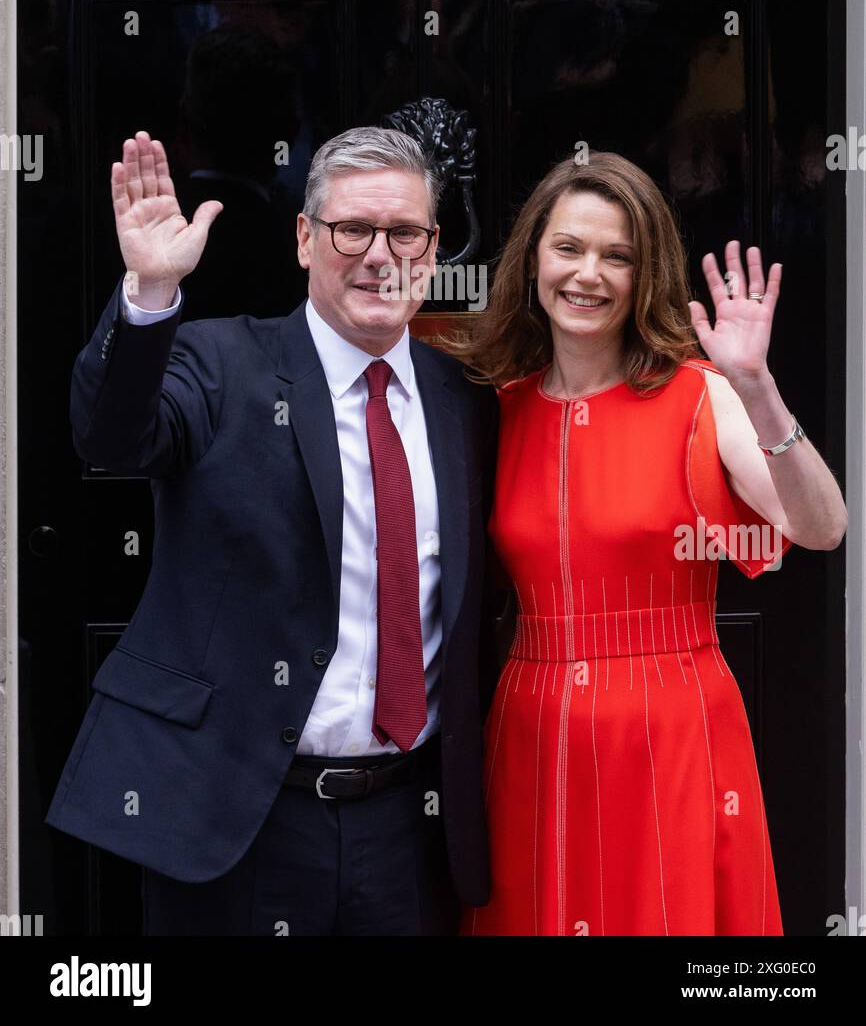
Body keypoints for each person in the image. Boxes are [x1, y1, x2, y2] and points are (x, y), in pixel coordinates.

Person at [45, 126, 499, 936]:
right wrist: (148, 295)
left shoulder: (465, 399)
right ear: (304, 239)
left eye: (405, 233)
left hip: (407, 830)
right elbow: (110, 439)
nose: (378, 255)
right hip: (238, 821)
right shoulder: (221, 363)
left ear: (433, 250)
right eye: (352, 229)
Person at [447, 149, 848, 936]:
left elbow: (822, 527)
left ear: (645, 274)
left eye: (617, 256)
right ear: (533, 260)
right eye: (568, 248)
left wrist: (759, 390)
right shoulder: (498, 408)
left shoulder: (702, 394)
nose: (588, 274)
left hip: (671, 726)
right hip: (533, 727)